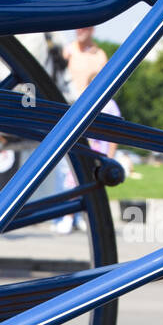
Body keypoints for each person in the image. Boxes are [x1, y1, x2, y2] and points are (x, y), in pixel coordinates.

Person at [54, 27, 116, 234]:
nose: (81, 31)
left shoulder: (99, 55)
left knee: (86, 166)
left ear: (92, 31)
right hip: (69, 110)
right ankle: (65, 214)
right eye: (79, 28)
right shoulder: (67, 51)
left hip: (91, 114)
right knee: (66, 169)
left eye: (85, 28)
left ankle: (78, 214)